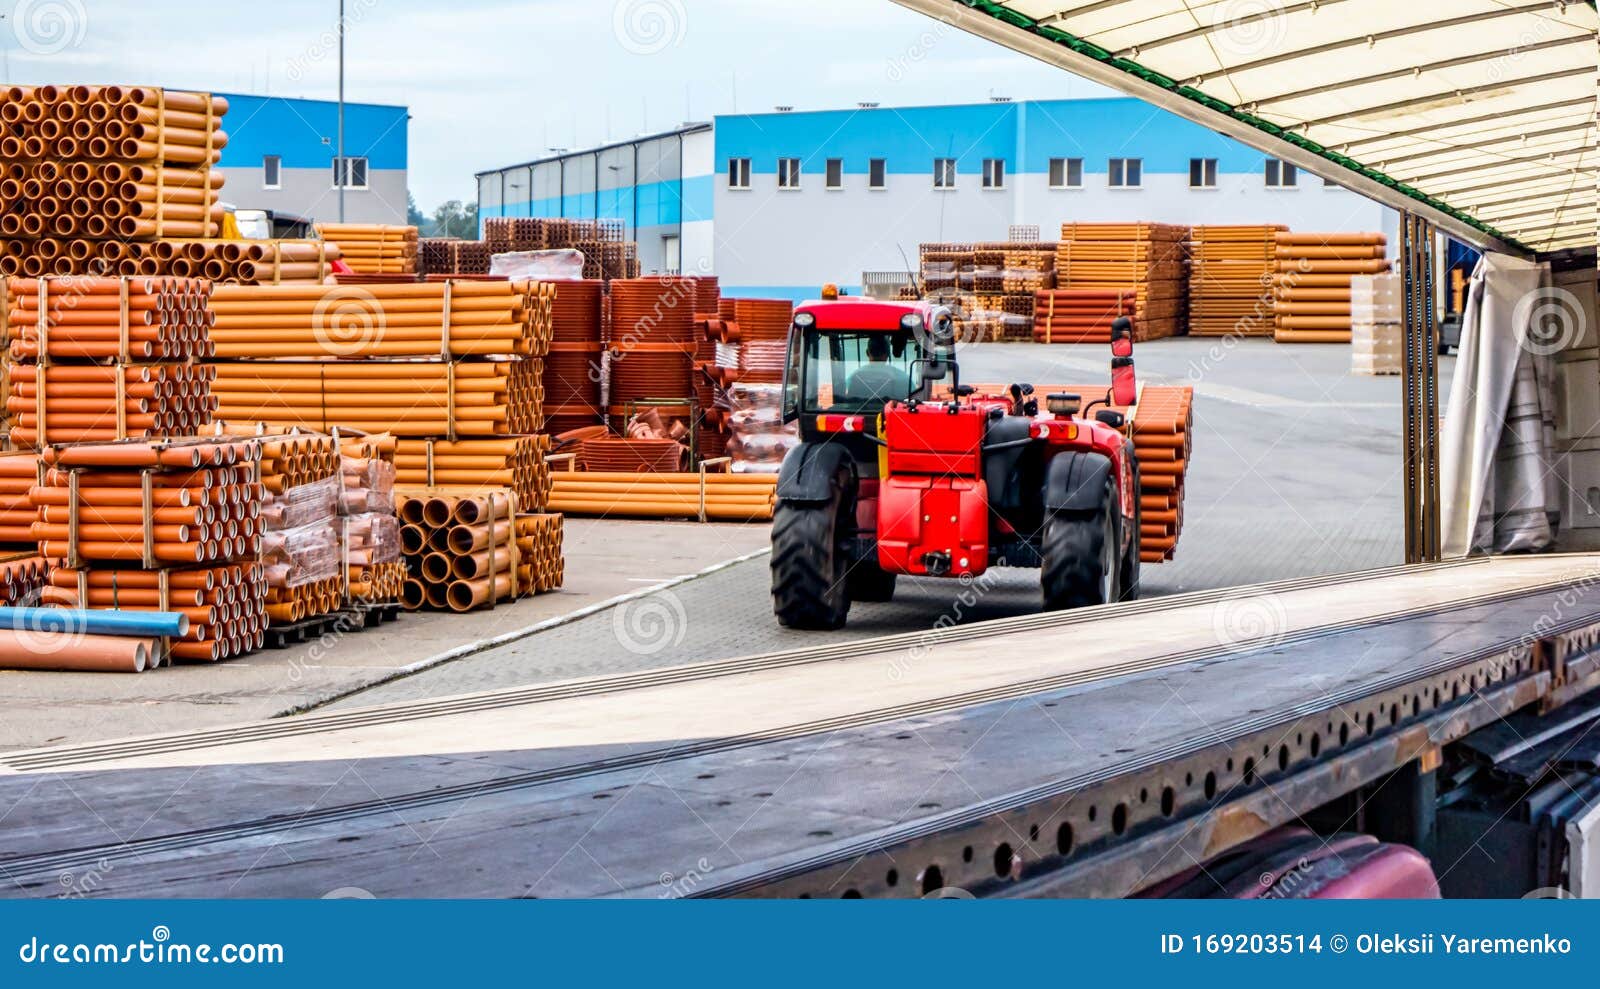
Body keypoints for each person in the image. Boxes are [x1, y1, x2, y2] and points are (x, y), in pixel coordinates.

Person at [845, 335, 910, 404]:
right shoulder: (903, 378)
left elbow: (849, 402)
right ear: (888, 354)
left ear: (867, 353)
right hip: (891, 414)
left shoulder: (854, 376)